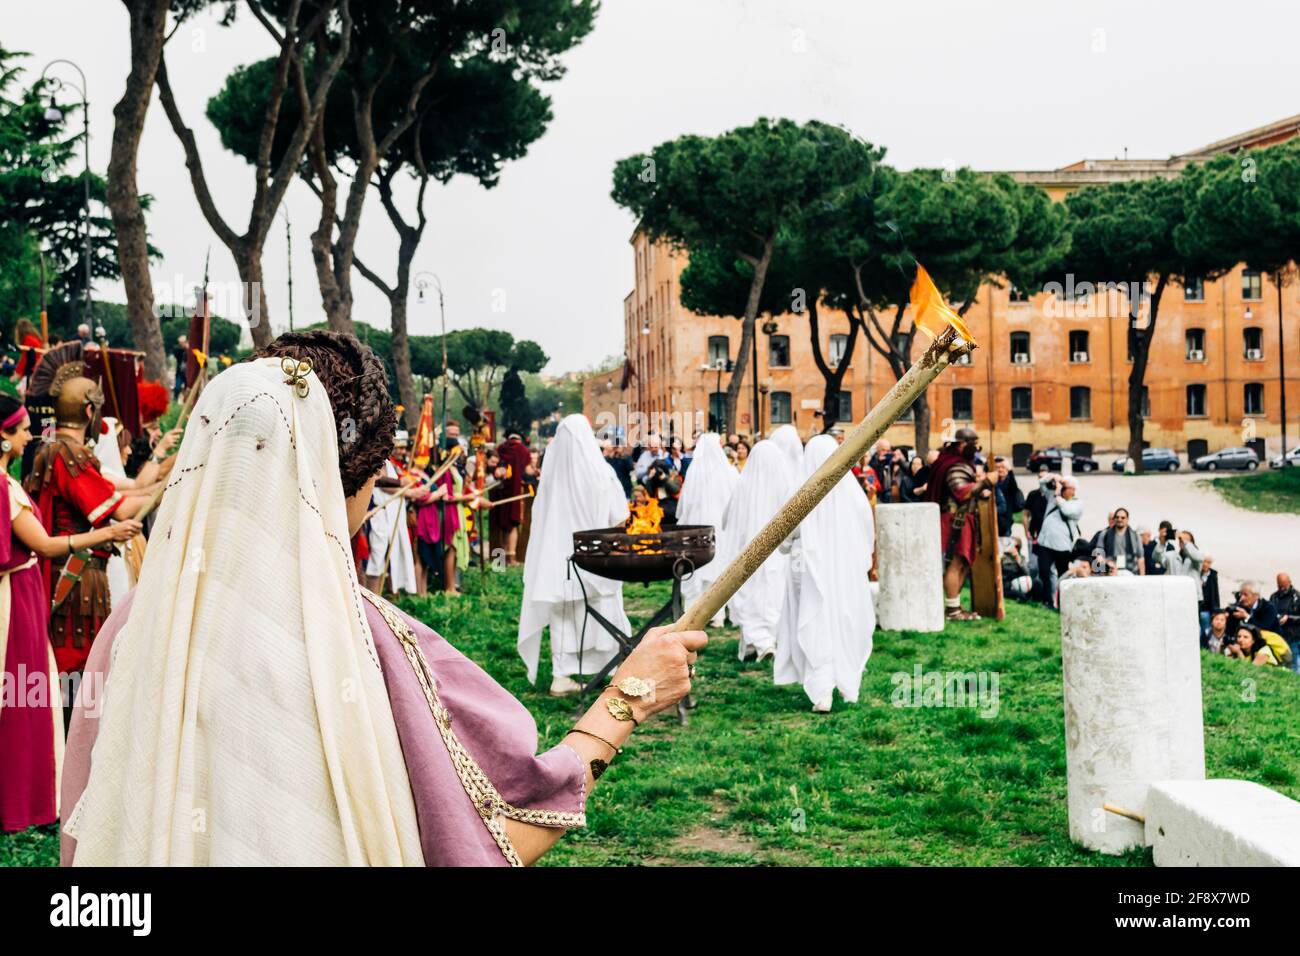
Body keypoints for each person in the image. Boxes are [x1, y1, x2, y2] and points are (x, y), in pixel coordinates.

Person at [60, 331, 705, 866]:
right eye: (375, 481)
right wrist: (628, 698)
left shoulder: (134, 625)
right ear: (350, 480)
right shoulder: (368, 642)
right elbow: (494, 842)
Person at [0, 394, 134, 832]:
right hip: (58, 587)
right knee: (51, 691)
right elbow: (50, 540)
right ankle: (48, 796)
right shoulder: (54, 460)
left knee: (37, 694)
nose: (28, 435)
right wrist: (109, 532)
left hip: (36, 588)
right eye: (19, 429)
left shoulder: (28, 470)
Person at [23, 362, 153, 687]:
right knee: (79, 675)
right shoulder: (70, 455)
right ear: (89, 409)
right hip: (76, 580)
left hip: (68, 574)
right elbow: (120, 511)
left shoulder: (52, 449)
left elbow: (132, 490)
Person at [519, 414, 632, 697]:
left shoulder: (550, 482)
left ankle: (561, 676)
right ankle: (614, 668)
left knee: (564, 617)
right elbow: (621, 515)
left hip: (559, 562)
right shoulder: (602, 474)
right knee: (604, 610)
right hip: (597, 559)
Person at [774, 435, 875, 712]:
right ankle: (844, 683)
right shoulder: (852, 492)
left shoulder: (798, 491)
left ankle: (822, 689)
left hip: (806, 568)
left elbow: (784, 534)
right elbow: (868, 532)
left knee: (814, 618)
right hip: (844, 569)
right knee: (842, 617)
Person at [719, 440, 795, 660]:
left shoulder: (743, 484)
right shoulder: (785, 485)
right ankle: (766, 640)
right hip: (776, 551)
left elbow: (726, 518)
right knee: (773, 592)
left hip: (747, 549)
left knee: (751, 593)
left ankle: (759, 641)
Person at [925, 426, 994, 621]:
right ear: (963, 444)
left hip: (962, 518)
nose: (977, 448)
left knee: (962, 563)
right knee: (955, 563)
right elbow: (961, 491)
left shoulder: (956, 461)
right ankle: (952, 610)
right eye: (974, 444)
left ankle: (955, 606)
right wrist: (987, 482)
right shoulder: (956, 465)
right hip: (955, 519)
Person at [675, 433, 738, 627]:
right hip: (721, 526)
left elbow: (685, 505)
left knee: (699, 567)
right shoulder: (729, 472)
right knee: (718, 565)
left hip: (698, 526)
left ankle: (694, 613)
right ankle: (717, 614)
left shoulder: (695, 472)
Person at [1034, 474, 1082, 608]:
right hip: (1045, 543)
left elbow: (1066, 511)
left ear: (1072, 490)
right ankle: (1047, 601)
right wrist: (1053, 477)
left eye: (1064, 487)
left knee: (1063, 576)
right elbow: (1042, 483)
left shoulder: (1077, 504)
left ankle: (1063, 602)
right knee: (1043, 571)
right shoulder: (1053, 496)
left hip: (1062, 546)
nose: (1061, 489)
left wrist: (1057, 497)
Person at [493, 431, 532, 565]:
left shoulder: (500, 448)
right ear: (519, 439)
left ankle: (500, 558)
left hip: (500, 492)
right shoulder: (523, 450)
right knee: (514, 524)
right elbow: (528, 471)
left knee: (502, 525)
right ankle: (511, 558)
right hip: (516, 493)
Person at [1094, 506, 1145, 575]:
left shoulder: (1135, 536)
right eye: (1117, 517)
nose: (1119, 519)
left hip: (1130, 572)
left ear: (1127, 519)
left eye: (1123, 517)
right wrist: (1106, 564)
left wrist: (1142, 577)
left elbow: (1140, 558)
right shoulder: (1104, 534)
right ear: (1114, 519)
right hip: (1111, 572)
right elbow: (1099, 555)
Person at [1269, 572, 1300, 673]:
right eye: (1280, 586)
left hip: (1293, 636)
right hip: (1279, 635)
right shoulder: (1274, 597)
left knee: (1294, 662)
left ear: (1289, 583)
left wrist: (1289, 618)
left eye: (1284, 586)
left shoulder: (1297, 597)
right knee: (1280, 661)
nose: (1282, 589)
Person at [992, 457, 1023, 537]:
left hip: (1006, 522)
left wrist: (1010, 470)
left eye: (1003, 467)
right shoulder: (993, 484)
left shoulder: (1009, 483)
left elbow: (1013, 486)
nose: (1000, 470)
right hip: (993, 520)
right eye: (997, 467)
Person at [171, 334, 189, 400]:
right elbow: (175, 352)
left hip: (187, 373)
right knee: (177, 387)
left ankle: (186, 401)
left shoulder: (189, 350)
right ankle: (175, 399)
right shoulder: (178, 350)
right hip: (180, 372)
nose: (181, 344)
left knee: (187, 388)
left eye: (182, 342)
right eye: (180, 343)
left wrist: (187, 348)